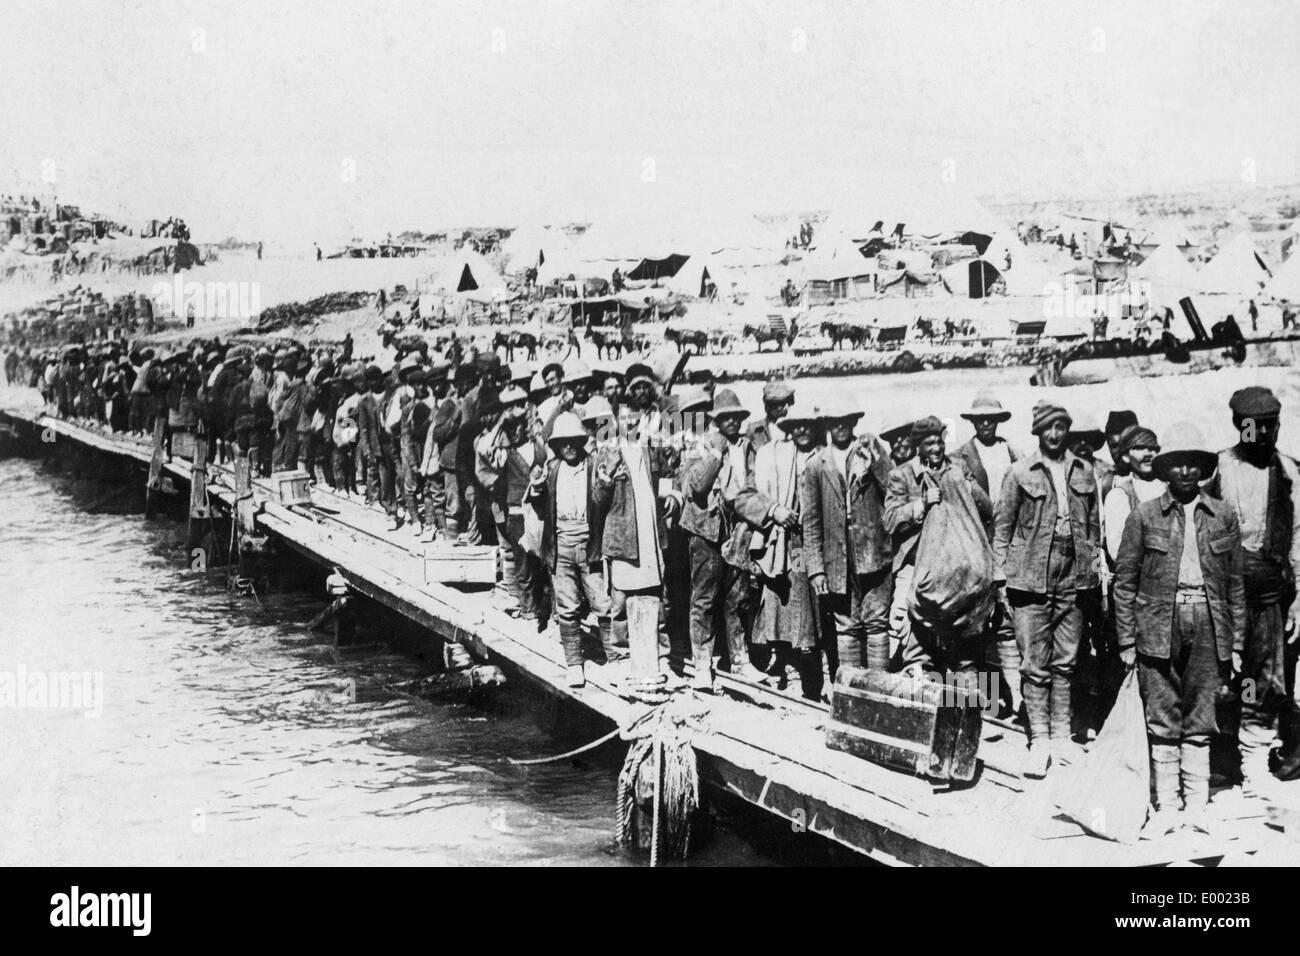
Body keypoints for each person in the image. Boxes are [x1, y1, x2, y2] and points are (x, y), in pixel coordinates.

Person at [1114, 422, 1244, 836]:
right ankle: (1168, 807)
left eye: (1194, 464)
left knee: (1202, 715)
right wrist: (1127, 642)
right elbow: (1124, 583)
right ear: (1165, 468)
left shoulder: (1222, 516)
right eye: (1178, 465)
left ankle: (1198, 806)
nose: (1186, 472)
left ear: (1203, 469)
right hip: (1158, 625)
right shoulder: (1143, 515)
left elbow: (1235, 585)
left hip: (1208, 622)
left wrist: (1235, 643)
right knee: (1163, 715)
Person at [993, 401, 1102, 777]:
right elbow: (1002, 530)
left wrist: (1092, 571)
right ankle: (1039, 740)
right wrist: (1000, 581)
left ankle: (1062, 738)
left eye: (1060, 427)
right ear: (1037, 432)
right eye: (1047, 428)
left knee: (1067, 660)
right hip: (1029, 577)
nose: (1054, 434)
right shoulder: (1019, 471)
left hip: (1073, 574)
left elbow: (1093, 528)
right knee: (1034, 663)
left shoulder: (1084, 470)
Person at [1206, 386, 1300, 784]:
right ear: (1237, 425)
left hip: (1273, 589)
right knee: (1233, 668)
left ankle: (1277, 748)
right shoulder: (1218, 469)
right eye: (1253, 427)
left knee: (1273, 672)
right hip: (1229, 588)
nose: (1262, 434)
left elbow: (1298, 536)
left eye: (1270, 426)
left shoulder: (1290, 470)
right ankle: (1228, 750)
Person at [884, 416, 994, 694]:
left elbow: (987, 509)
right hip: (915, 567)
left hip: (955, 568)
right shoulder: (902, 476)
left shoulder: (958, 468)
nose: (935, 448)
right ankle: (923, 710)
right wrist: (920, 505)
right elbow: (890, 520)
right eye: (928, 443)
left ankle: (970, 715)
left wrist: (967, 487)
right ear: (917, 446)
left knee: (964, 642)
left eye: (939, 441)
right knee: (915, 640)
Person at [678, 388, 768, 689]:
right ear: (716, 420)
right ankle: (702, 664)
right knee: (704, 599)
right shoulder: (699, 444)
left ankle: (740, 660)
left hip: (738, 530)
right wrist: (716, 453)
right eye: (725, 418)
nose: (732, 423)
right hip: (707, 531)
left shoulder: (747, 447)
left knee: (738, 598)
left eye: (736, 418)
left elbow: (754, 486)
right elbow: (695, 487)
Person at [737, 402, 825, 698]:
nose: (802, 430)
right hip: (783, 543)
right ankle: (786, 667)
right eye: (796, 425)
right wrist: (773, 510)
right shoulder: (772, 456)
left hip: (812, 544)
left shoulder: (824, 457)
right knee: (782, 600)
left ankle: (810, 673)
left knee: (804, 602)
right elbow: (744, 498)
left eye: (807, 425)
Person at [803, 399, 894, 675]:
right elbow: (811, 521)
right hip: (836, 559)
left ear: (854, 422)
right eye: (835, 421)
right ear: (827, 425)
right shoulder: (816, 464)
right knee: (846, 623)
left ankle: (879, 686)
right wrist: (816, 569)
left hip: (872, 553)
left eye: (847, 420)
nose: (841, 426)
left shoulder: (870, 451)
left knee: (877, 621)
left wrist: (876, 460)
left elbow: (892, 490)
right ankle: (851, 690)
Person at [528, 412, 617, 686]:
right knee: (567, 608)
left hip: (589, 547)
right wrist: (537, 489)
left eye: (573, 441)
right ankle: (574, 664)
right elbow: (542, 510)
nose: (568, 447)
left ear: (580, 442)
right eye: (562, 442)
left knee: (604, 605)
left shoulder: (592, 466)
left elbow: (602, 506)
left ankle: (615, 659)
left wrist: (604, 483)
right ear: (556, 446)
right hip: (561, 548)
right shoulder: (552, 469)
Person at [1102, 426, 1163, 566]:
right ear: (1125, 456)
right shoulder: (1119, 495)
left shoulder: (1167, 489)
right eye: (1140, 447)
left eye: (1153, 448)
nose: (1148, 453)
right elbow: (1117, 552)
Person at [746, 380, 794, 449]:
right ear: (767, 406)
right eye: (776, 404)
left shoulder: (795, 428)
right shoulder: (755, 429)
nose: (781, 408)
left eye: (784, 402)